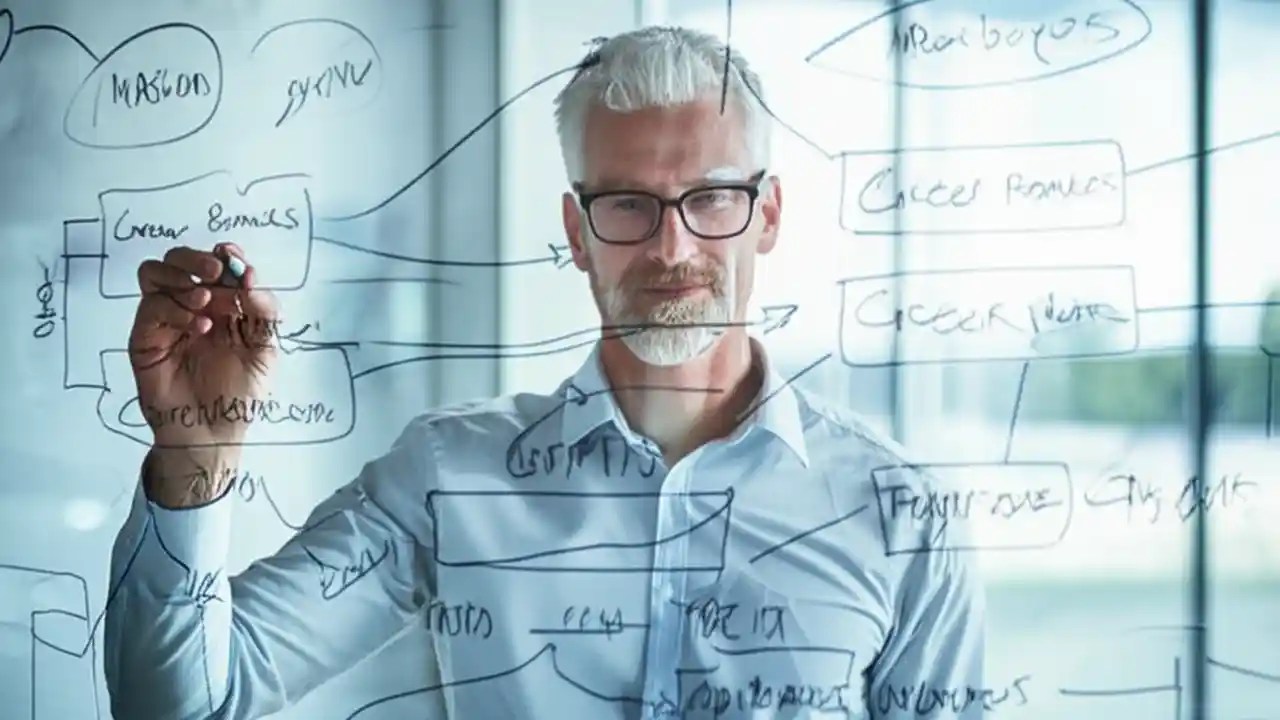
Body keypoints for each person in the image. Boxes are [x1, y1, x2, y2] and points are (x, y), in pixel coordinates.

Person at [104, 25, 985, 720]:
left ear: (768, 214)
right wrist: (193, 461)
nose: (673, 247)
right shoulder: (448, 477)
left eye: (713, 198)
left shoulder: (899, 513)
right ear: (575, 231)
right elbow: (188, 701)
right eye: (627, 204)